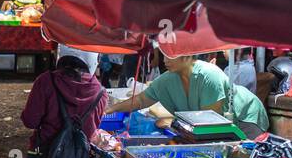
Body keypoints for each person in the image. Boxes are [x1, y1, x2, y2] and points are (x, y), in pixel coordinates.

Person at [105, 52, 270, 138]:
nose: (165, 59)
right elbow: (141, 100)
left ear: (188, 56)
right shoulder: (167, 79)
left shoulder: (209, 75)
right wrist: (111, 109)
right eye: (164, 54)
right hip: (211, 126)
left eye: (172, 55)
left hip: (244, 117)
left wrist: (174, 123)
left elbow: (209, 120)